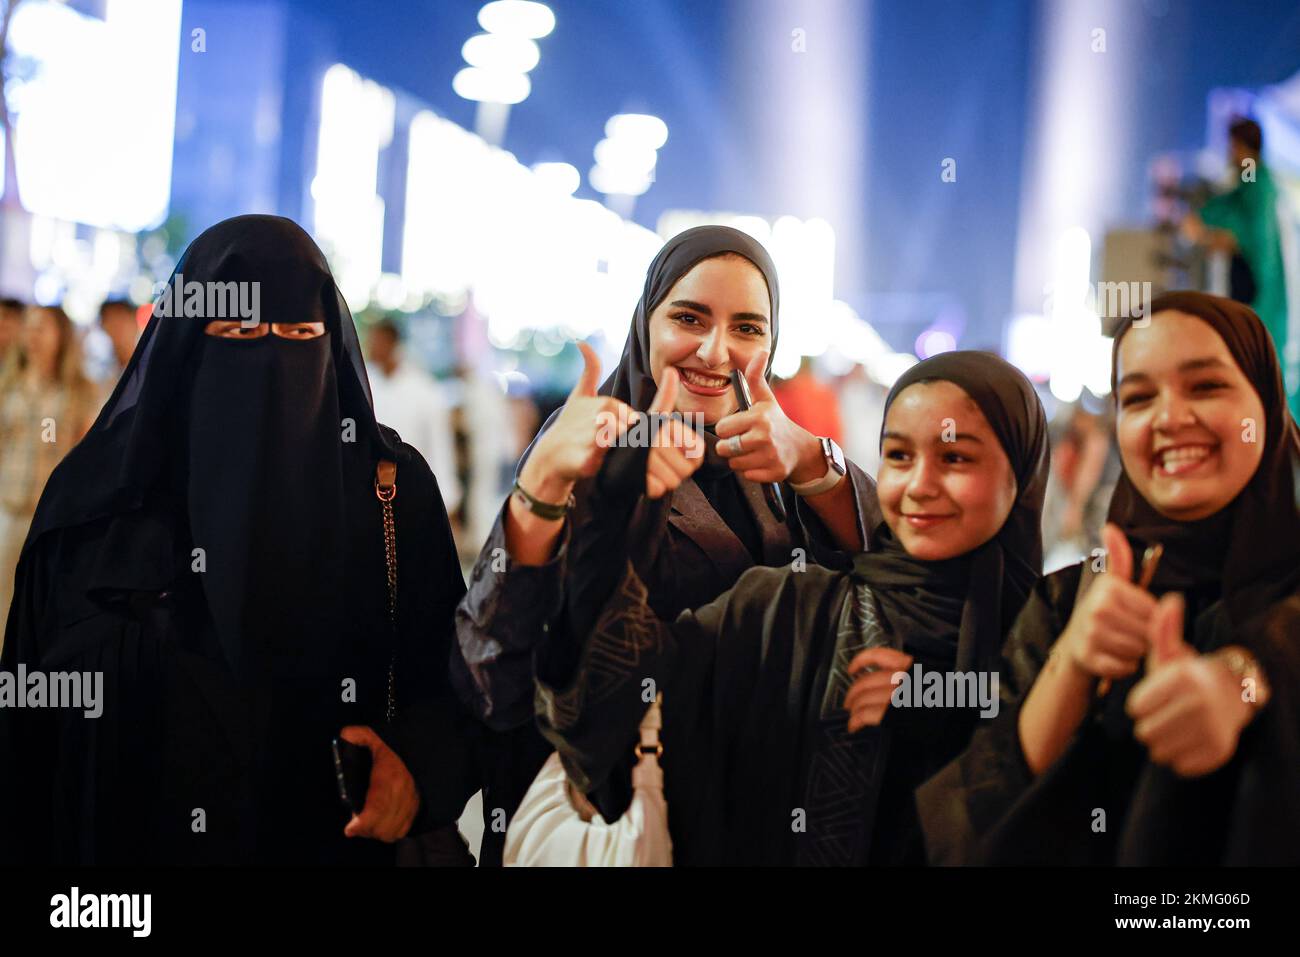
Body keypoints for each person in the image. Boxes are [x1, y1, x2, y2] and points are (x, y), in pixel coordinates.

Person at [0, 216, 476, 865]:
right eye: (241, 333)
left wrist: (417, 771)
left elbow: (456, 683)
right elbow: (27, 736)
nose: (273, 365)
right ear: (186, 342)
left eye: (301, 335)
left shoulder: (390, 492)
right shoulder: (97, 505)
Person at [453, 225, 881, 865]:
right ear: (645, 322)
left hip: (754, 819)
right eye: (689, 318)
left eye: (747, 327)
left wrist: (816, 463)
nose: (715, 351)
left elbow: (893, 580)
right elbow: (490, 675)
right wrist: (544, 490)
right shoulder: (594, 440)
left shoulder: (768, 457)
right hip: (613, 822)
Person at [534, 350, 1049, 865]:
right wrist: (602, 526)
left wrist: (944, 702)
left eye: (955, 458)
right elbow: (614, 708)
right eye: (898, 456)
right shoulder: (786, 612)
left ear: (1021, 473)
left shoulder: (1055, 636)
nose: (918, 485)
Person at [918, 291, 1300, 866]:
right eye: (1139, 397)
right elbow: (967, 833)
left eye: (1205, 387)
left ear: (1266, 405)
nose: (1170, 418)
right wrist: (1073, 665)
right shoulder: (1071, 600)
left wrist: (1245, 677)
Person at [1183, 118, 1295, 417]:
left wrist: (1205, 234)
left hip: (1260, 305)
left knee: (1257, 379)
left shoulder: (1256, 180)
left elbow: (1245, 237)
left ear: (1242, 147)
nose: (1229, 153)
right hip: (1251, 303)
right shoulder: (1253, 180)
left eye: (1232, 146)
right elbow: (1229, 205)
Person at [0, 305, 98, 636]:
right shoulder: (8, 385)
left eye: (42, 328)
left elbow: (86, 457)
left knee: (44, 609)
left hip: (51, 518)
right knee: (3, 604)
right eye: (29, 327)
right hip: (8, 512)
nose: (33, 336)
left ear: (60, 335)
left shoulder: (79, 391)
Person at [365, 318, 462, 520]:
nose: (370, 347)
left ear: (392, 343)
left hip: (414, 488)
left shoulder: (424, 389)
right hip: (370, 490)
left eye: (376, 341)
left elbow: (439, 445)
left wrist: (448, 494)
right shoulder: (365, 384)